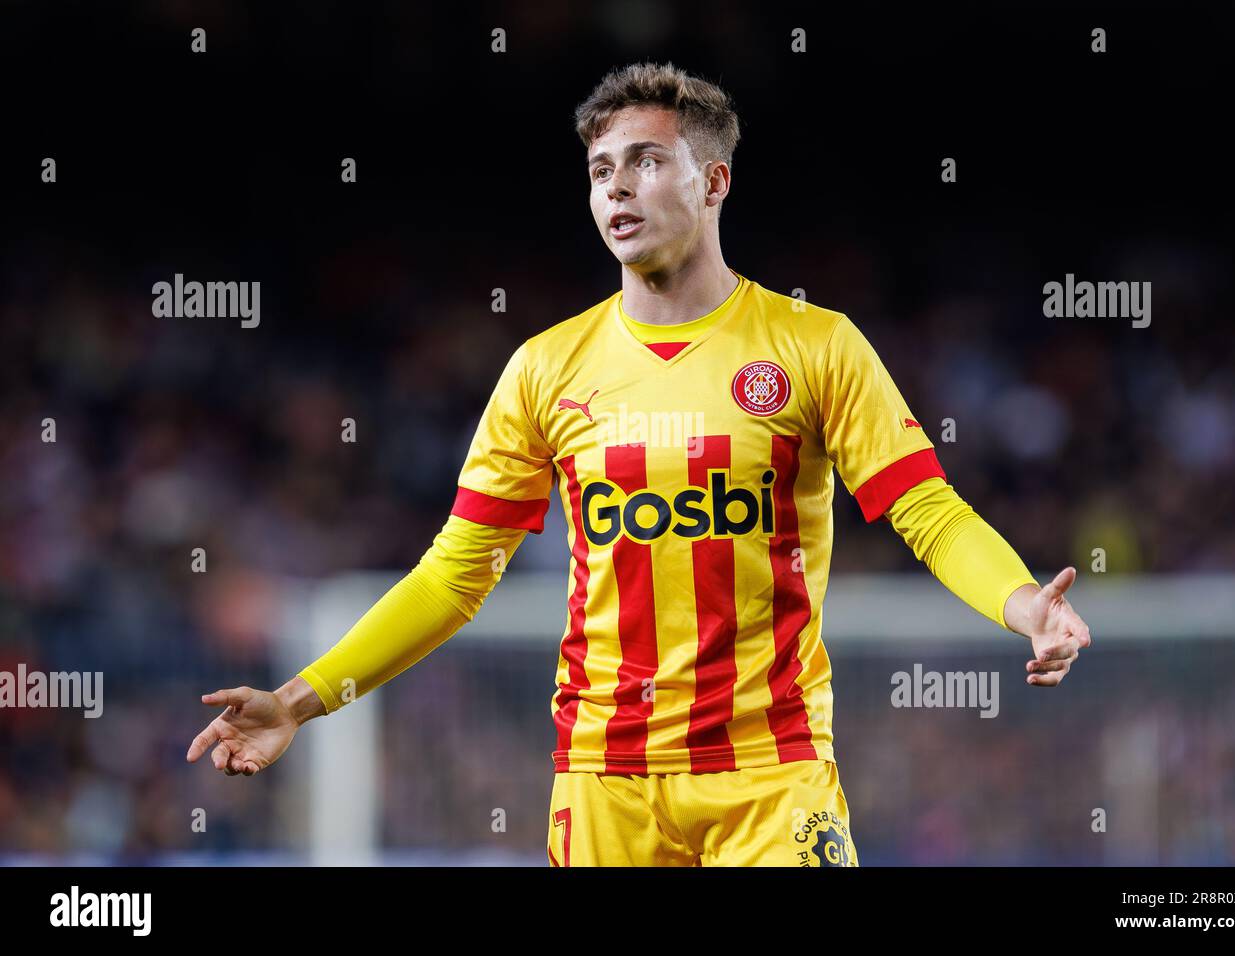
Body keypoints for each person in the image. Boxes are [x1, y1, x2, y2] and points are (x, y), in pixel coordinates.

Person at [187, 61, 1091, 867]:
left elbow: (925, 511)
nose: (618, 187)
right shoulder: (546, 367)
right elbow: (456, 575)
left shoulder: (816, 346)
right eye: (600, 170)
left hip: (771, 776)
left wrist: (1021, 604)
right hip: (602, 780)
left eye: (647, 161)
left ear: (714, 181)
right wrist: (300, 702)